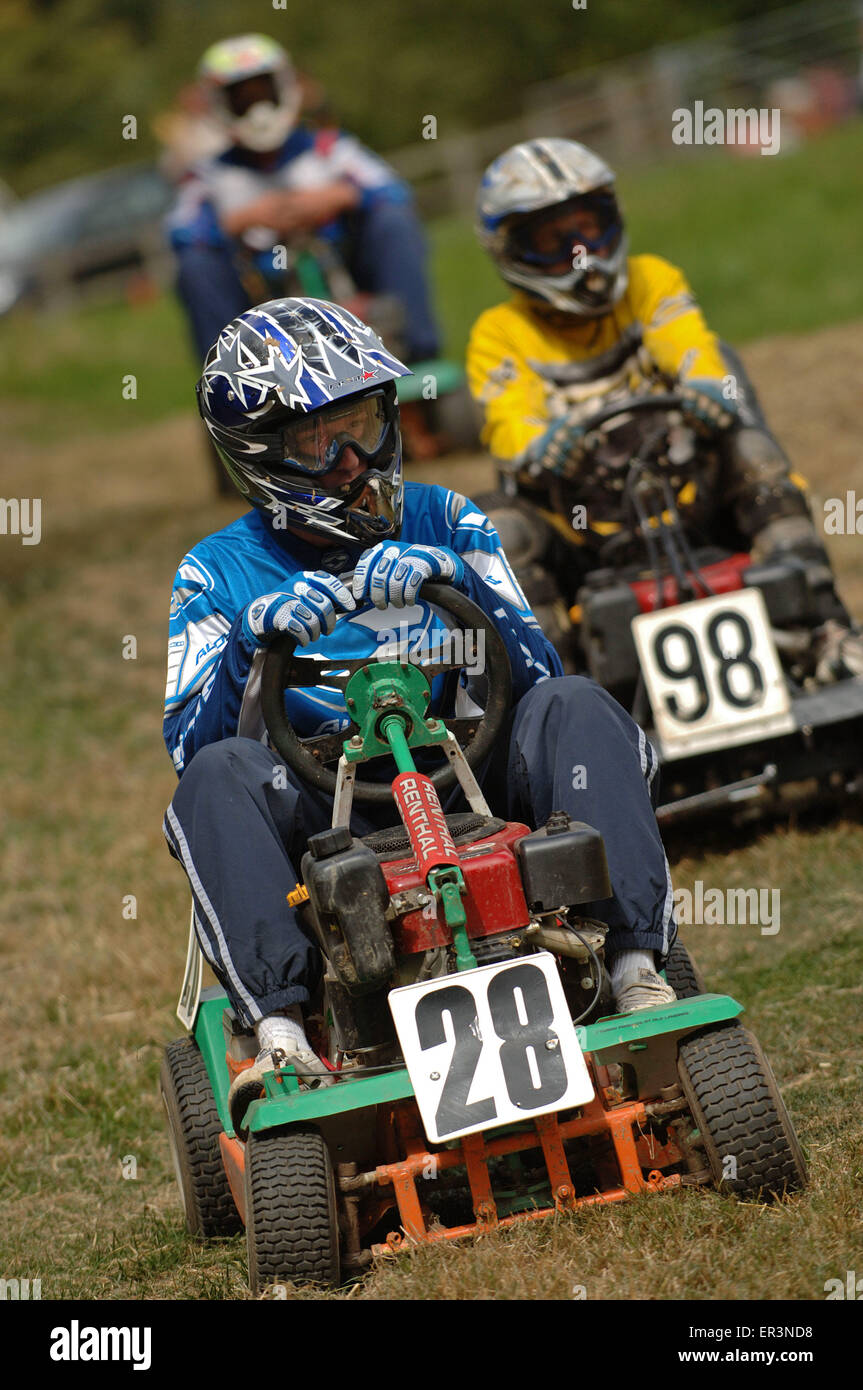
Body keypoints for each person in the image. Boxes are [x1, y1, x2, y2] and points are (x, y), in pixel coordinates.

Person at [161, 295, 678, 1115]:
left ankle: (632, 968)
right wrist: (247, 653)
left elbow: (537, 673)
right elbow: (194, 757)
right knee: (220, 777)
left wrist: (453, 581)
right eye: (314, 440)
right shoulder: (214, 573)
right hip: (323, 816)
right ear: (261, 456)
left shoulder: (448, 517)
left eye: (362, 422)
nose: (349, 459)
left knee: (577, 704)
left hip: (467, 775)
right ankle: (284, 1034)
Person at [467, 137, 863, 682]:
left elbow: (694, 348)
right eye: (552, 241)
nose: (581, 254)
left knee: (752, 450)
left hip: (688, 499)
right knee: (495, 530)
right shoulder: (498, 333)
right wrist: (538, 445)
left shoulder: (653, 280)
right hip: (584, 535)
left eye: (589, 227)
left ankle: (827, 630)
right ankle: (561, 689)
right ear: (510, 252)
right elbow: (509, 422)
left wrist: (706, 387)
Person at [166, 34, 440, 369]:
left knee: (394, 221)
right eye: (243, 99)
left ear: (283, 88)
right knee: (196, 266)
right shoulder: (208, 176)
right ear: (222, 103)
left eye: (263, 94)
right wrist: (246, 218)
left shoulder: (330, 149)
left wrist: (338, 196)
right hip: (257, 288)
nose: (258, 109)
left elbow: (394, 191)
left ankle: (417, 354)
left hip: (342, 264)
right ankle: (229, 385)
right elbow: (181, 233)